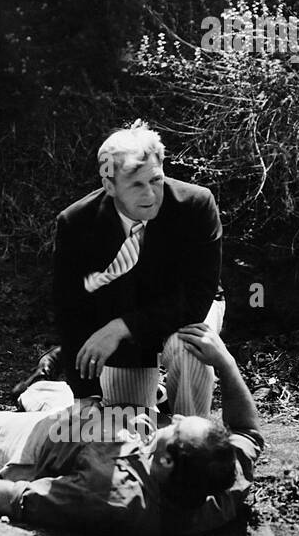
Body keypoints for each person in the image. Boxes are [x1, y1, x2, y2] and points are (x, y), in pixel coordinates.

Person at [0, 321, 263, 536]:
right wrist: (223, 358)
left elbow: (22, 500)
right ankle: (35, 388)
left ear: (165, 459)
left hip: (32, 449)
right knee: (53, 392)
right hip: (92, 419)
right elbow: (248, 432)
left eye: (169, 433)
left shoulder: (109, 497)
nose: (170, 425)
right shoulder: (220, 479)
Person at [54, 121, 225, 416]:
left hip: (184, 312)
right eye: (136, 185)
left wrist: (123, 326)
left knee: (189, 349)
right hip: (120, 324)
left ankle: (192, 442)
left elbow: (197, 298)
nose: (150, 194)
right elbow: (70, 312)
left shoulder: (196, 205)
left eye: (156, 180)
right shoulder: (75, 223)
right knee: (124, 420)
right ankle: (158, 398)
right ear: (109, 185)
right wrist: (86, 397)